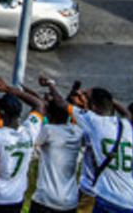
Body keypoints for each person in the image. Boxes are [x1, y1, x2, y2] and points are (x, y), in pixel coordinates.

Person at [0, 76, 46, 212]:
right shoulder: (30, 131)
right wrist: (9, 90)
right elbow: (39, 104)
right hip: (15, 199)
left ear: (1, 113)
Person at [68, 87, 133, 213]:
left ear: (94, 107)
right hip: (132, 200)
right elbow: (128, 114)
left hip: (109, 198)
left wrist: (51, 85)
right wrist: (109, 99)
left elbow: (63, 105)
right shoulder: (125, 125)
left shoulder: (94, 122)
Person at [30, 77, 85, 213]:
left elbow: (31, 141)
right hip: (69, 202)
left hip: (45, 200)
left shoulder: (49, 131)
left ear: (49, 114)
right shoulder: (77, 132)